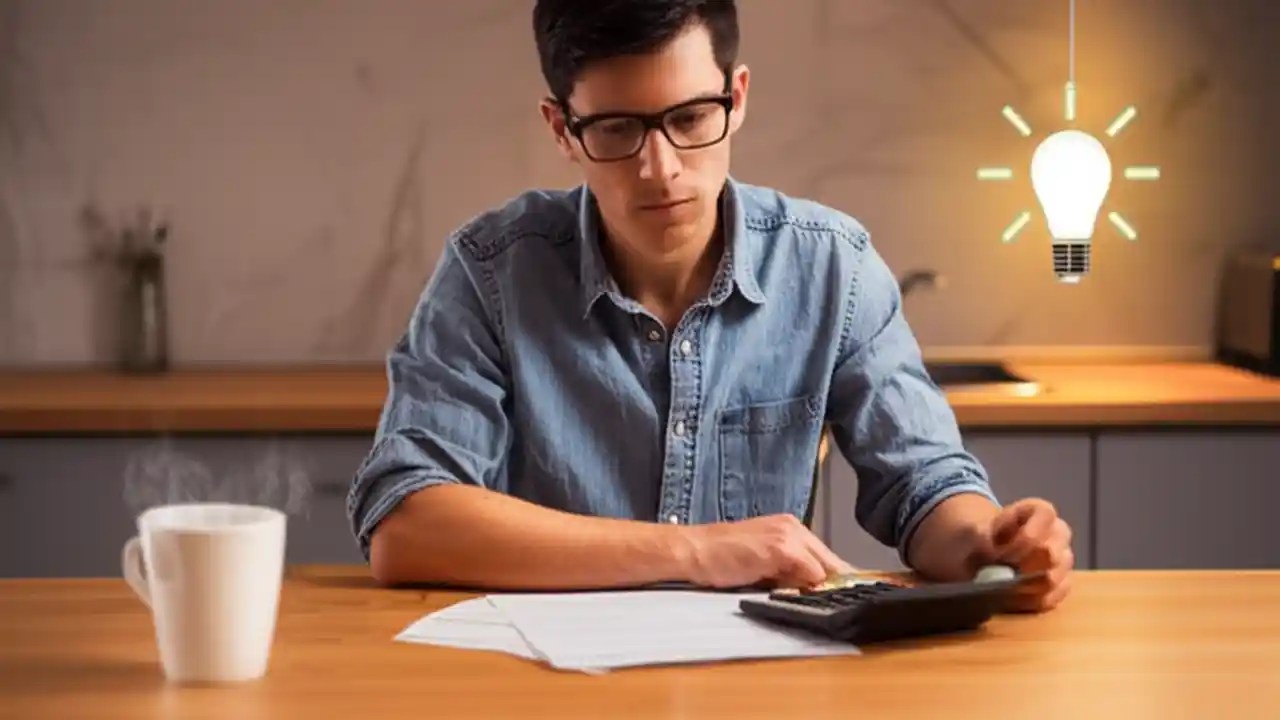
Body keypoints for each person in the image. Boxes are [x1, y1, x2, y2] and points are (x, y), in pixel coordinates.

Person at [346, 0, 1073, 611]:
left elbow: (925, 488)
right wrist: (696, 551)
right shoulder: (490, 273)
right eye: (617, 129)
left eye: (692, 119)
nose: (659, 169)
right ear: (562, 129)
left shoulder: (832, 266)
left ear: (739, 96)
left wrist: (992, 545)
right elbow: (407, 522)